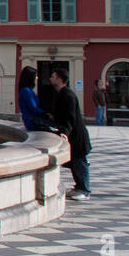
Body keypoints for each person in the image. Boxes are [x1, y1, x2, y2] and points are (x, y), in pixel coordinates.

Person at [50, 67, 92, 201]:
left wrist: (64, 132)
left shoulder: (68, 95)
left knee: (80, 162)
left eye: (53, 76)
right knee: (75, 162)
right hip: (73, 135)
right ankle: (79, 187)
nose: (51, 78)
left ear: (60, 79)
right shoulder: (62, 94)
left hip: (77, 136)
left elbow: (70, 117)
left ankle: (84, 190)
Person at [17, 66, 59, 133]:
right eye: (35, 76)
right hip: (32, 121)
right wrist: (46, 114)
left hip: (31, 120)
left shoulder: (27, 90)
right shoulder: (26, 91)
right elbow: (33, 108)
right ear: (30, 77)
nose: (37, 78)